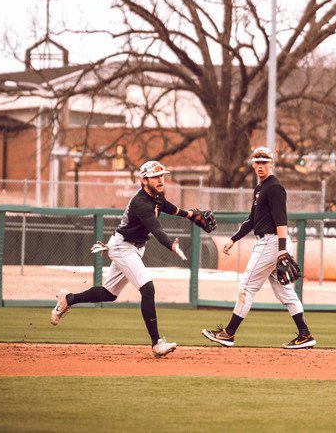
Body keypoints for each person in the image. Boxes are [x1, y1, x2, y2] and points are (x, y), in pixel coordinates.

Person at [50, 160, 197, 358]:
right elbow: (156, 228)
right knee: (148, 287)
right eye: (156, 177)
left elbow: (167, 206)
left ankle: (69, 299)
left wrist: (189, 214)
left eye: (162, 175)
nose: (161, 179)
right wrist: (171, 244)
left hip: (134, 247)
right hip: (123, 246)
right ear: (144, 181)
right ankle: (157, 343)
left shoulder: (157, 195)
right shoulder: (140, 203)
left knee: (109, 294)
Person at [202, 147, 315, 349]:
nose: (260, 165)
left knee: (246, 287)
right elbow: (252, 220)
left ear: (272, 164)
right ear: (253, 165)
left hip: (272, 242)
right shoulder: (260, 188)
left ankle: (228, 334)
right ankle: (305, 335)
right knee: (285, 293)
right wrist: (233, 239)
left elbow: (281, 221)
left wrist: (282, 250)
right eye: (257, 162)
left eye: (264, 162)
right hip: (271, 242)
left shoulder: (274, 187)